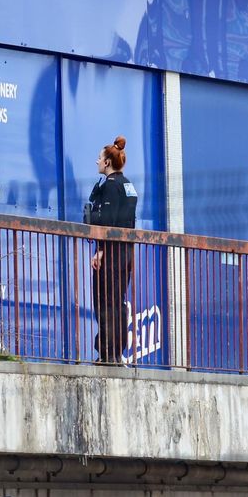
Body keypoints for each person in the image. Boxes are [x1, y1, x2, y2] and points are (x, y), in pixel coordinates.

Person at [86, 136, 138, 364]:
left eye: (99, 158)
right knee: (117, 302)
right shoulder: (128, 185)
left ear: (107, 162)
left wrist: (101, 249)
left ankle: (107, 354)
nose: (97, 161)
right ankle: (116, 353)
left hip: (111, 254)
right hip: (125, 253)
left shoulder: (110, 186)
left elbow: (108, 222)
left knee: (105, 302)